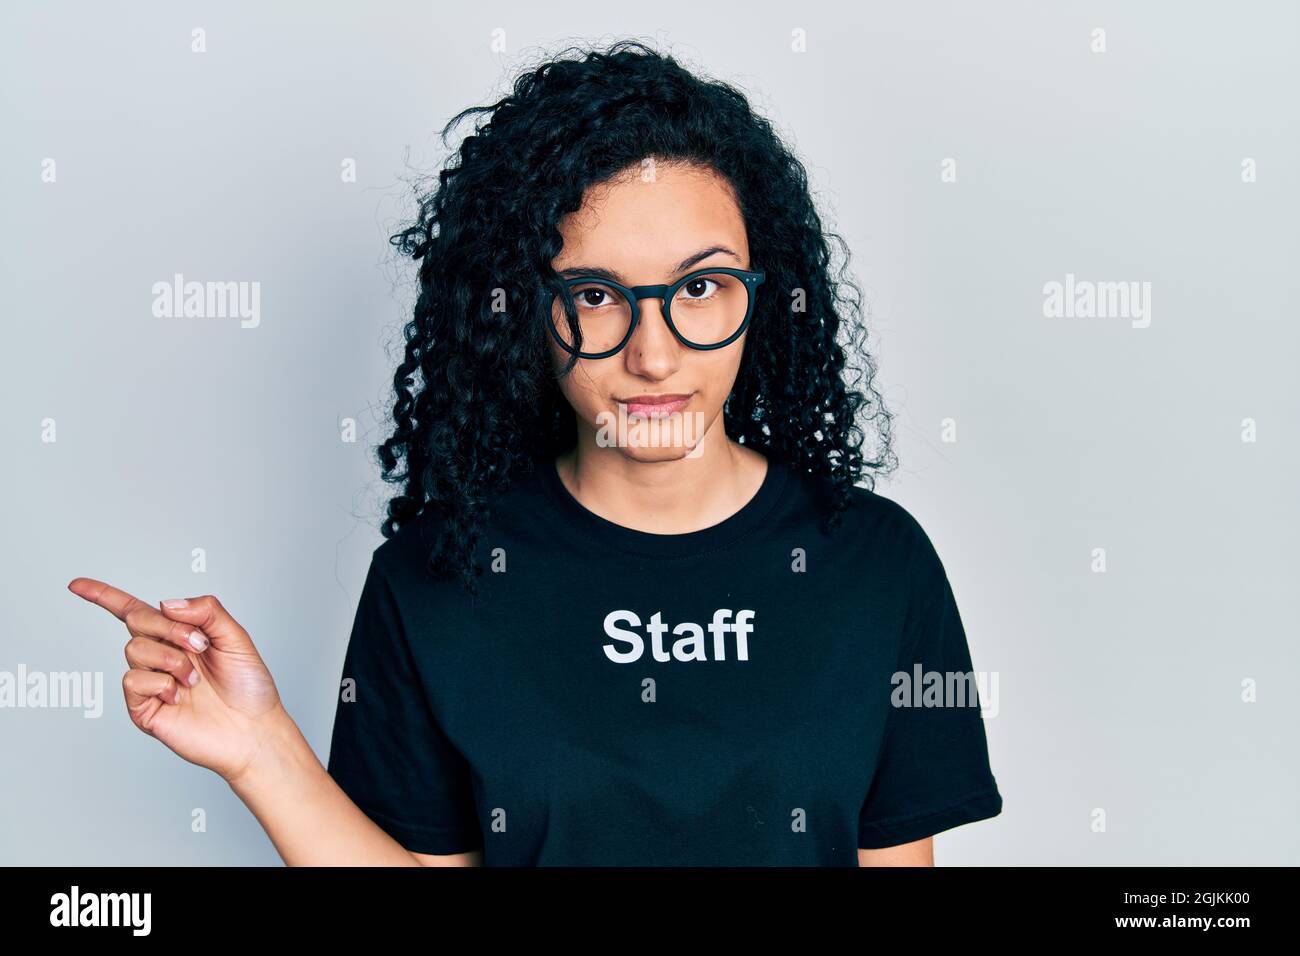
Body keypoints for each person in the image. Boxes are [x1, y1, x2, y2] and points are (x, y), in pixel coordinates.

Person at [68, 40, 1001, 866]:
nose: (654, 353)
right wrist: (260, 749)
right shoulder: (437, 578)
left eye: (702, 287)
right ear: (523, 314)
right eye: (596, 296)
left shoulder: (877, 565)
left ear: (764, 292)